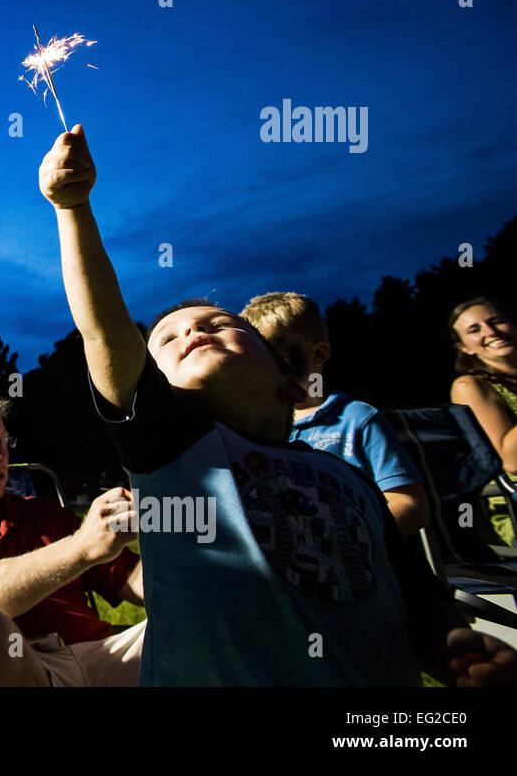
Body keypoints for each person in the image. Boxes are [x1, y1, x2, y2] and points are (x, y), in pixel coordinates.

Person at [37, 122, 517, 686]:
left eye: (220, 323)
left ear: (291, 385)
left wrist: (451, 642)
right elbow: (105, 333)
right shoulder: (174, 454)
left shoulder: (351, 479)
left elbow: (412, 590)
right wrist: (73, 208)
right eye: (165, 340)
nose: (192, 331)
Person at [0, 388, 145, 686]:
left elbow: (140, 581)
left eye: (4, 442)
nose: (0, 455)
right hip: (14, 670)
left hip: (103, 657)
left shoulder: (45, 514)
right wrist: (80, 548)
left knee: (196, 604)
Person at [241, 291, 428, 534]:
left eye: (273, 349)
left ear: (318, 354)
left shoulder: (356, 418)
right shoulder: (255, 427)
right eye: (253, 351)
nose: (261, 361)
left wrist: (351, 539)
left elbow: (410, 504)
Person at [449, 297, 517, 475]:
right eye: (474, 330)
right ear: (465, 348)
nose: (491, 332)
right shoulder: (469, 386)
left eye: (497, 321)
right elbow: (511, 462)